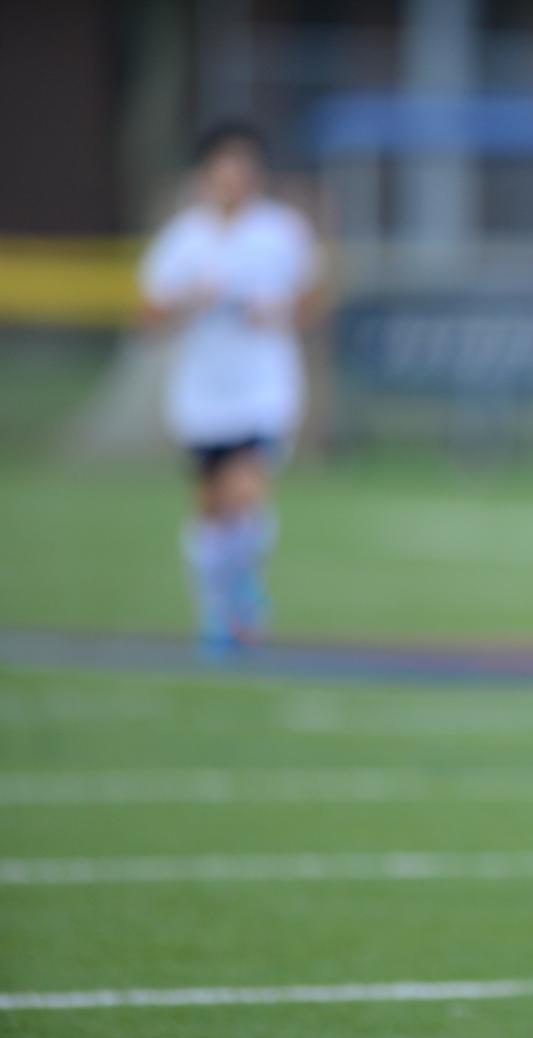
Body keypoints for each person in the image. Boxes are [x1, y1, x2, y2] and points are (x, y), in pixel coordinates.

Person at [139, 120, 319, 654]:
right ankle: (216, 607)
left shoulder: (281, 232)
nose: (235, 179)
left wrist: (278, 313)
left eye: (245, 168)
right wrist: (187, 301)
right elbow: (146, 315)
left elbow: (313, 299)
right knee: (213, 509)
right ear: (206, 175)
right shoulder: (183, 240)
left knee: (246, 489)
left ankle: (243, 589)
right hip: (202, 395)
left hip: (263, 389)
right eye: (225, 168)